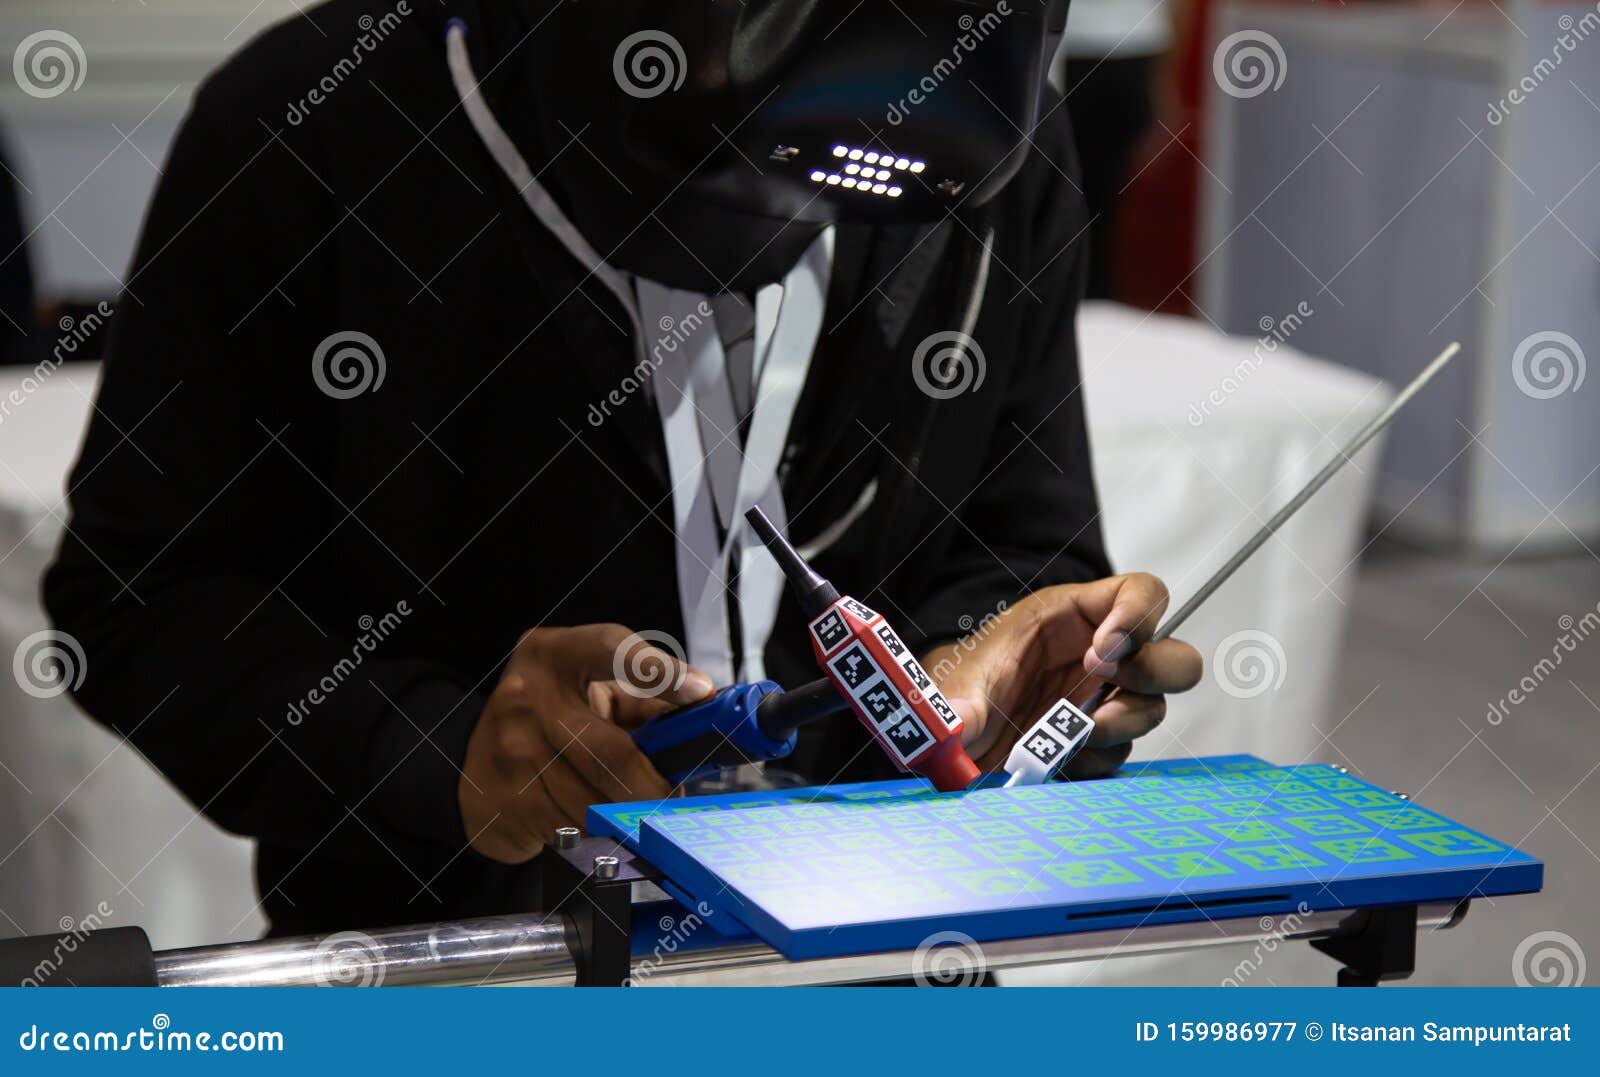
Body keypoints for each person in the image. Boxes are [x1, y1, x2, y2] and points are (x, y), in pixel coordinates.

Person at [44, 0, 1202, 937]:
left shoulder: (981, 139)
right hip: (463, 961)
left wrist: (994, 668)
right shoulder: (312, 125)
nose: (776, 231)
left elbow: (1021, 529)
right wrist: (436, 753)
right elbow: (138, 597)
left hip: (876, 935)